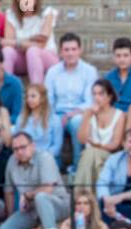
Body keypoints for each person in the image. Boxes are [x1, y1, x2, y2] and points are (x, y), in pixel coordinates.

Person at [45, 33, 97, 172]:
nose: (70, 53)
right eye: (66, 50)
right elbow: (48, 98)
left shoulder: (89, 71)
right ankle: (55, 164)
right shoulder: (53, 71)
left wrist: (70, 115)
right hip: (57, 112)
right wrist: (54, 115)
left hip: (78, 113)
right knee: (51, 121)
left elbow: (90, 101)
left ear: (80, 50)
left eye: (74, 49)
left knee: (77, 122)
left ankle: (77, 165)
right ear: (61, 52)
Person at [1, 129, 69, 229]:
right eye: (15, 149)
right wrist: (10, 216)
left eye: (23, 147)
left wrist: (27, 195)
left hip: (57, 205)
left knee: (40, 197)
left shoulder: (45, 157)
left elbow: (47, 189)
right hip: (31, 210)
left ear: (32, 146)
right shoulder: (11, 161)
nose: (19, 152)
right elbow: (8, 191)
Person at [72, 79, 124, 191]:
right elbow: (82, 139)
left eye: (101, 94)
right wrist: (88, 115)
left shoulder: (119, 115)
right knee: (91, 156)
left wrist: (98, 145)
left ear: (109, 96)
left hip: (108, 156)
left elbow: (115, 144)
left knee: (91, 154)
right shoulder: (88, 112)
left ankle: (80, 196)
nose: (96, 97)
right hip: (90, 157)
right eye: (94, 94)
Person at [2, 1, 58, 85]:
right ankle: (6, 89)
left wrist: (17, 42)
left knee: (33, 51)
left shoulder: (47, 12)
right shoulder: (11, 14)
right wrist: (32, 40)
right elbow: (7, 43)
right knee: (7, 51)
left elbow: (41, 44)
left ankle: (37, 90)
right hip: (22, 59)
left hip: (46, 57)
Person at [16, 83, 64, 163]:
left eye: (33, 96)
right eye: (27, 97)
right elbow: (16, 140)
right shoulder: (21, 118)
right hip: (25, 159)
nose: (29, 99)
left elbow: (57, 146)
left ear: (42, 98)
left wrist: (42, 158)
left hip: (47, 160)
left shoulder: (54, 119)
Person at [104, 38, 131, 113]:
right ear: (114, 57)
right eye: (118, 56)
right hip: (113, 116)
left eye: (125, 55)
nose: (122, 59)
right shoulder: (108, 78)